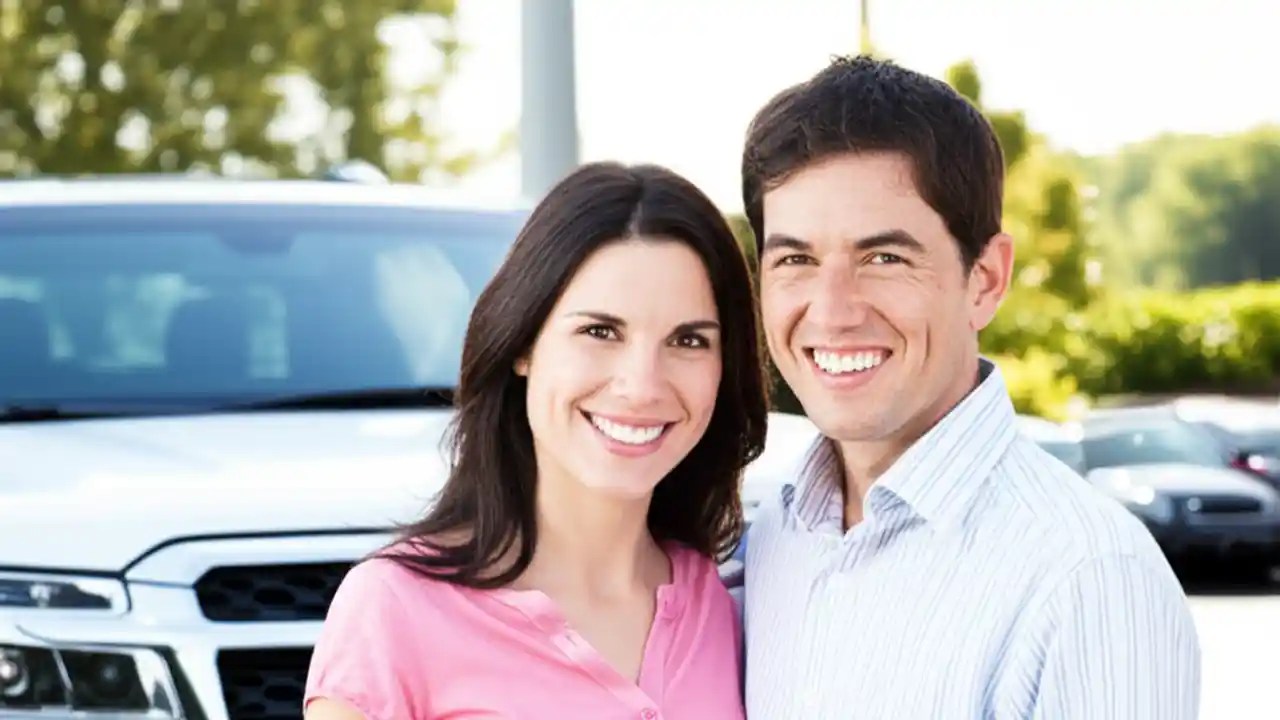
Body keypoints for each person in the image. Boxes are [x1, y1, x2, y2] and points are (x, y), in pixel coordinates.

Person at [739, 56, 1201, 718]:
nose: (832, 309)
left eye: (884, 258)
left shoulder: (1089, 576)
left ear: (984, 280)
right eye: (797, 260)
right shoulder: (778, 536)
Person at [303, 161, 767, 720]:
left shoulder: (729, 600)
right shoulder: (392, 607)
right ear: (524, 344)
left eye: (688, 340)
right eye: (600, 332)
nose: (642, 385)